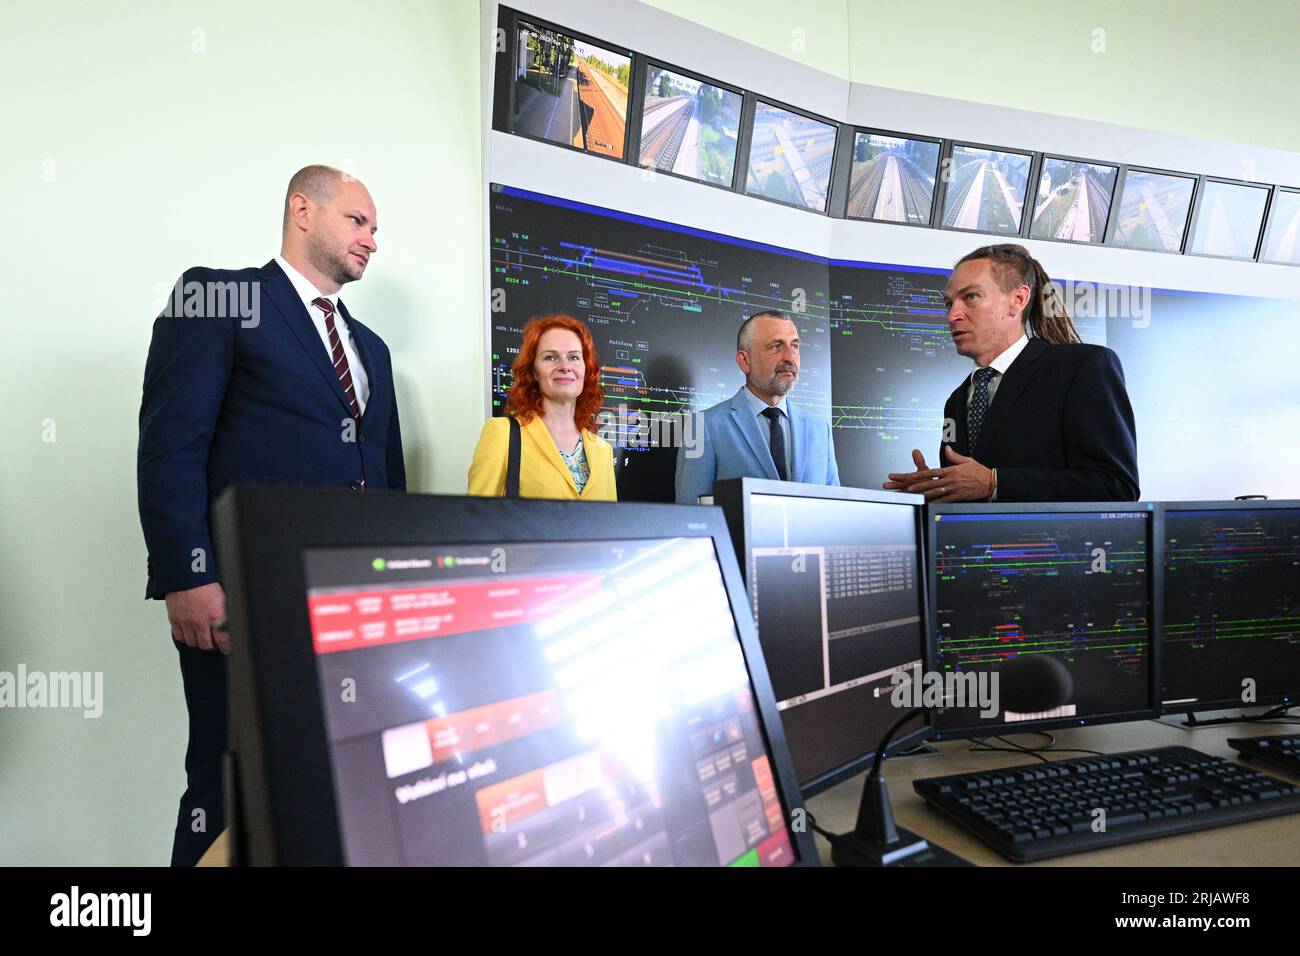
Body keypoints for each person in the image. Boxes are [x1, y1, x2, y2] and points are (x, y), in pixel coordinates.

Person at [137, 165, 406, 865]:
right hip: (238, 601)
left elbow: (387, 481)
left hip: (349, 608)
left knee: (335, 782)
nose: (371, 239)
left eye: (375, 228)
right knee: (225, 787)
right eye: (358, 220)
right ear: (302, 211)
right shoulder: (218, 298)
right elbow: (171, 446)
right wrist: (186, 577)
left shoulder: (371, 348)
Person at [883, 243, 1138, 502]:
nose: (952, 315)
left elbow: (1116, 487)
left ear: (1017, 300)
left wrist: (996, 483)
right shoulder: (956, 401)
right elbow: (970, 488)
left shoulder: (1083, 368)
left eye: (970, 297)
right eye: (949, 303)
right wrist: (938, 489)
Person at [675, 310, 839, 503]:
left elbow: (835, 510)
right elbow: (693, 513)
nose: (790, 357)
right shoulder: (702, 426)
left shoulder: (820, 431)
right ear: (745, 361)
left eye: (794, 346)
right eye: (776, 346)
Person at [468, 314, 616, 500]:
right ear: (533, 372)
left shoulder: (603, 450)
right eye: (550, 357)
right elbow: (477, 518)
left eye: (574, 357)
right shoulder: (503, 434)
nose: (565, 366)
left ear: (586, 369)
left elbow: (612, 525)